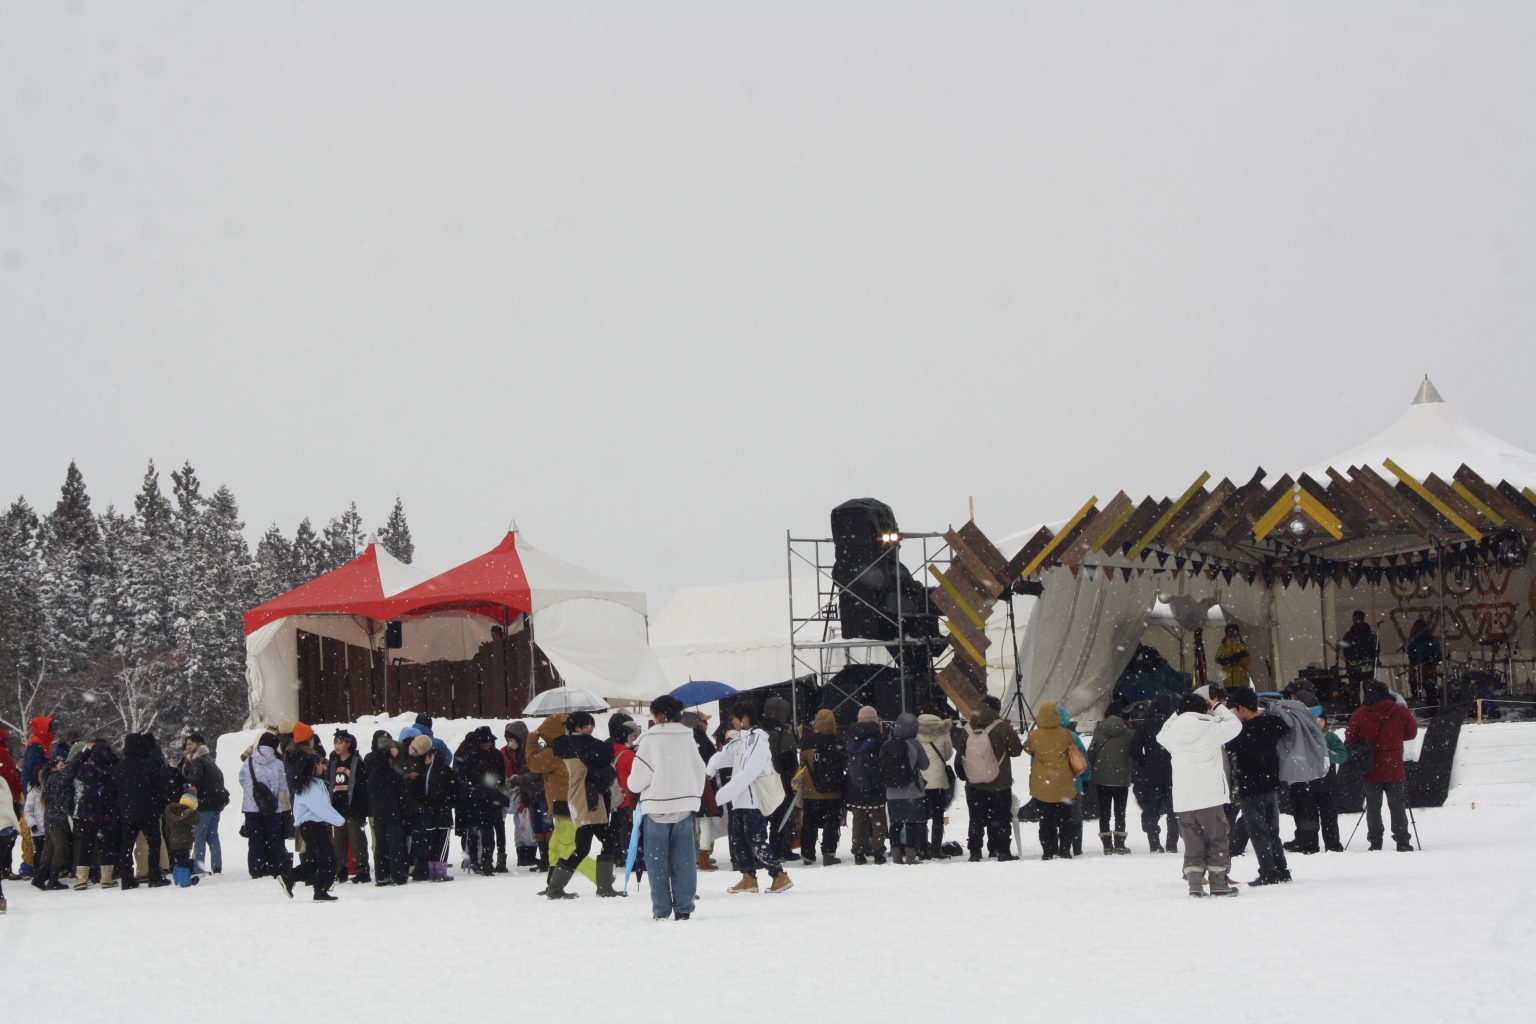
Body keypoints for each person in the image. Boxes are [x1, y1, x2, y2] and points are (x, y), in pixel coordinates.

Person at [627, 694, 708, 920]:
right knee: (684, 861)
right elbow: (700, 769)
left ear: (660, 715)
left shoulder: (650, 740)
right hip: (684, 806)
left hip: (656, 807)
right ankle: (684, 907)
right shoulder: (688, 738)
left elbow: (636, 782)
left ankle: (661, 909)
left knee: (657, 863)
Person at [1157, 691, 1243, 897]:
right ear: (1203, 709)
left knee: (1192, 844)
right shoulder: (1210, 729)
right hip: (1209, 796)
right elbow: (1235, 725)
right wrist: (1217, 706)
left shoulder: (1172, 734)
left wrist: (1178, 713)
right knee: (1217, 840)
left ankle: (1194, 885)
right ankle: (1218, 883)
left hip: (1184, 800)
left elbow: (1161, 733)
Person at [709, 700, 793, 894]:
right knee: (738, 840)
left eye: (735, 719)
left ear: (745, 719)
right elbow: (724, 755)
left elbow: (748, 774)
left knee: (755, 840)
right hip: (739, 801)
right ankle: (748, 877)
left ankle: (779, 875)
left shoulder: (758, 742)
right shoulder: (742, 740)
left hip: (753, 802)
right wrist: (709, 770)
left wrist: (719, 796)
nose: (732, 722)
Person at [546, 711, 620, 899]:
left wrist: (566, 726)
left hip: (583, 798)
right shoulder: (582, 745)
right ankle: (601, 887)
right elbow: (605, 753)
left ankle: (558, 887)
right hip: (587, 798)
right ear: (577, 728)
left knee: (592, 844)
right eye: (586, 725)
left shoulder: (567, 743)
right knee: (589, 845)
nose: (590, 729)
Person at [1224, 688, 1291, 885]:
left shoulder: (1240, 732)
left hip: (1251, 788)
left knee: (1258, 832)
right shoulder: (1271, 723)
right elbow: (1284, 727)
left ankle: (1268, 871)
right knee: (1272, 830)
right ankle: (1281, 869)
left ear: (1241, 708)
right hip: (1271, 785)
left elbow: (1228, 746)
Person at [1346, 681, 1419, 852]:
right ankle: (1402, 840)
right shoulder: (1399, 711)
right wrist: (1395, 738)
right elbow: (1412, 733)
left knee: (1373, 807)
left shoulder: (1361, 713)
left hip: (1371, 766)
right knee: (1397, 805)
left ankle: (1375, 841)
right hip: (1394, 765)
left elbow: (1350, 737)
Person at [961, 696, 1024, 862]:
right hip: (999, 783)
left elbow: (960, 754)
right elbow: (1017, 750)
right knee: (1001, 818)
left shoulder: (968, 729)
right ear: (997, 709)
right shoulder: (1002, 727)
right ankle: (1001, 850)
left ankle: (975, 851)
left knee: (976, 819)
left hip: (974, 784)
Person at [279, 750, 343, 902]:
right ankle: (320, 890)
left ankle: (290, 877)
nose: (323, 766)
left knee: (317, 860)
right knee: (328, 859)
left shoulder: (312, 784)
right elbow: (321, 808)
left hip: (313, 826)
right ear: (313, 767)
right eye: (320, 764)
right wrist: (339, 820)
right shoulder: (309, 787)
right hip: (312, 827)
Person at [114, 732, 172, 889]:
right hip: (148, 811)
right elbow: (160, 788)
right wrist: (159, 805)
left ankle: (127, 878)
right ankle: (154, 876)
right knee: (154, 843)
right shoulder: (149, 765)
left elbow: (114, 790)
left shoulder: (120, 767)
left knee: (127, 846)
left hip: (127, 812)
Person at [1023, 702, 1078, 860]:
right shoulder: (1066, 734)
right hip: (1063, 784)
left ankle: (1048, 850)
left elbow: (1027, 749)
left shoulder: (1034, 735)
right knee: (1065, 819)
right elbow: (1072, 750)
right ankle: (1065, 849)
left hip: (1043, 785)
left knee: (1046, 820)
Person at [1287, 713, 1345, 854]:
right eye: (1314, 720)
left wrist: (1326, 753)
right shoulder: (1301, 737)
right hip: (1307, 784)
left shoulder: (1330, 737)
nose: (1317, 723)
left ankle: (1333, 845)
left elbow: (1342, 756)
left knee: (1329, 816)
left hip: (1327, 785)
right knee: (1309, 816)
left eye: (1321, 720)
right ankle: (1310, 845)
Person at [1131, 693, 1180, 853]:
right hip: (1173, 772)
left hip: (1151, 773)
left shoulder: (1145, 724)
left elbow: (1134, 748)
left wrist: (1144, 762)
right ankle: (1172, 843)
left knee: (1151, 809)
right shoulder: (1174, 723)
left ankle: (1154, 842)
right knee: (1174, 810)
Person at [456, 726, 508, 876]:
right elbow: (465, 776)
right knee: (478, 831)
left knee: (493, 829)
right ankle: (478, 860)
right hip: (477, 799)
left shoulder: (496, 754)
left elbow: (501, 775)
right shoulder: (471, 755)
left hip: (492, 798)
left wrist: (492, 780)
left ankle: (490, 860)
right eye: (484, 742)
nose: (487, 745)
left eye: (488, 742)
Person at [239, 732, 291, 880]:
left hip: (251, 808)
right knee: (274, 839)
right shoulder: (278, 764)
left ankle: (256, 869)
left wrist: (254, 794)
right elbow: (284, 786)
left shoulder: (248, 762)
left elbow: (242, 781)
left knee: (255, 840)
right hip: (273, 808)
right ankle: (276, 867)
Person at [798, 708, 846, 866]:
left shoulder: (807, 741)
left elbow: (802, 764)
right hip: (833, 792)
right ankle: (828, 853)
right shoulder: (838, 742)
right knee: (831, 823)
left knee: (809, 823)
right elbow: (844, 764)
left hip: (811, 792)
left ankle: (807, 854)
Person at [882, 713, 930, 864]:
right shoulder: (915, 745)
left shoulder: (887, 744)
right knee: (911, 824)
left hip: (892, 792)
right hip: (912, 791)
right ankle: (910, 856)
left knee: (895, 824)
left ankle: (896, 855)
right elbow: (925, 765)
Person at [362, 731, 409, 886]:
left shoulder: (373, 776)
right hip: (394, 814)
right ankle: (398, 875)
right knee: (395, 845)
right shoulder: (394, 776)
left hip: (379, 814)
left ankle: (382, 875)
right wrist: (404, 812)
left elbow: (370, 795)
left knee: (380, 845)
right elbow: (402, 796)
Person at [73, 740, 120, 889]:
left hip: (90, 810)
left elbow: (75, 767)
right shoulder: (113, 770)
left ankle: (81, 878)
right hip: (108, 810)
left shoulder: (88, 770)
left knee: (86, 843)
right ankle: (106, 877)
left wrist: (86, 752)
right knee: (108, 844)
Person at [843, 706, 888, 865]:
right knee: (878, 819)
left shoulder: (851, 738)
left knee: (859, 820)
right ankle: (878, 852)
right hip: (876, 785)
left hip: (856, 785)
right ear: (875, 720)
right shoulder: (879, 739)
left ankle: (858, 852)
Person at [1088, 704, 1134, 854]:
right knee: (1120, 812)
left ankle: (1107, 845)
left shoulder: (1098, 730)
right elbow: (1133, 752)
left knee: (1104, 812)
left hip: (1101, 777)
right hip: (1121, 778)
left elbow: (1091, 752)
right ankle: (1120, 843)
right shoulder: (1128, 732)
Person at [760, 696, 801, 861]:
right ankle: (779, 851)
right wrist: (793, 785)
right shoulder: (784, 734)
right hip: (779, 785)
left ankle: (760, 851)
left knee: (760, 821)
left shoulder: (756, 732)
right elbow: (790, 763)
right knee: (780, 820)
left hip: (759, 784)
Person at [326, 730, 369, 883]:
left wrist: (361, 808)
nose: (337, 746)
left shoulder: (356, 761)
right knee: (338, 842)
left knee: (357, 841)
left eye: (340, 742)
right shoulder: (333, 761)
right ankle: (340, 870)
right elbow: (329, 782)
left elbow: (362, 786)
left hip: (353, 808)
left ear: (348, 744)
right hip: (337, 808)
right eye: (335, 743)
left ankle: (362, 870)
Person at [181, 735, 228, 876]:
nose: (188, 747)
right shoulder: (210, 761)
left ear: (199, 744)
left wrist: (186, 768)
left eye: (190, 744)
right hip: (217, 804)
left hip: (204, 804)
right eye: (187, 744)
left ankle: (198, 867)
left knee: (199, 836)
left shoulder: (198, 761)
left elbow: (194, 782)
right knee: (213, 836)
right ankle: (217, 866)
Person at [916, 706, 954, 859]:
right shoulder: (943, 731)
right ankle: (936, 850)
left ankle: (923, 849)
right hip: (938, 780)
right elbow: (948, 754)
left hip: (920, 780)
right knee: (938, 815)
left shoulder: (914, 730)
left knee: (921, 816)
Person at [502, 721, 539, 868]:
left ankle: (529, 855)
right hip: (517, 794)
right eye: (508, 740)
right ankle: (523, 855)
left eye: (512, 739)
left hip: (530, 793)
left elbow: (536, 773)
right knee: (520, 826)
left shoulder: (530, 751)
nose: (510, 743)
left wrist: (520, 780)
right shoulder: (506, 753)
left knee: (528, 826)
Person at [34, 756, 73, 889]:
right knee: (60, 848)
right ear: (53, 769)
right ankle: (53, 879)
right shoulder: (57, 778)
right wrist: (84, 752)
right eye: (61, 765)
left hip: (50, 818)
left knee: (49, 849)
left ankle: (39, 877)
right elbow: (73, 768)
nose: (64, 768)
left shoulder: (49, 780)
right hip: (58, 819)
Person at [163, 786, 201, 888]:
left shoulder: (171, 811)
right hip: (184, 842)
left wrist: (170, 839)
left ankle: (178, 880)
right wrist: (193, 810)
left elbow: (167, 829)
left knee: (178, 862)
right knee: (183, 862)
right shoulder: (189, 815)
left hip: (174, 841)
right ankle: (184, 882)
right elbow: (197, 819)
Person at [1339, 610, 1380, 697]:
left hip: (1367, 666)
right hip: (1353, 667)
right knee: (1354, 691)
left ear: (1362, 620)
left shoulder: (1370, 635)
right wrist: (1350, 660)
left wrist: (1371, 660)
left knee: (1368, 689)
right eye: (1353, 619)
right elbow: (1346, 650)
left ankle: (1366, 703)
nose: (1354, 621)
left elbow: (1376, 650)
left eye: (1357, 619)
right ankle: (1356, 704)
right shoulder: (1349, 635)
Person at [1405, 619, 1444, 706]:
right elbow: (1410, 653)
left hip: (1428, 669)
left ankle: (1432, 708)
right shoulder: (1413, 640)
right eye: (1417, 628)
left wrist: (1430, 659)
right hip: (1415, 669)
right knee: (1415, 691)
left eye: (1420, 628)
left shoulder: (1431, 640)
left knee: (1430, 691)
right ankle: (1419, 707)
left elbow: (1438, 654)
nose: (1418, 630)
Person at [1214, 624, 1251, 689]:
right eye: (1229, 631)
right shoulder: (1223, 646)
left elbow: (1247, 660)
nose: (1231, 633)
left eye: (1232, 631)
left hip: (1240, 681)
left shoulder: (1242, 646)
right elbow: (1217, 658)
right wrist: (1225, 660)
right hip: (1228, 682)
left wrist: (1238, 660)